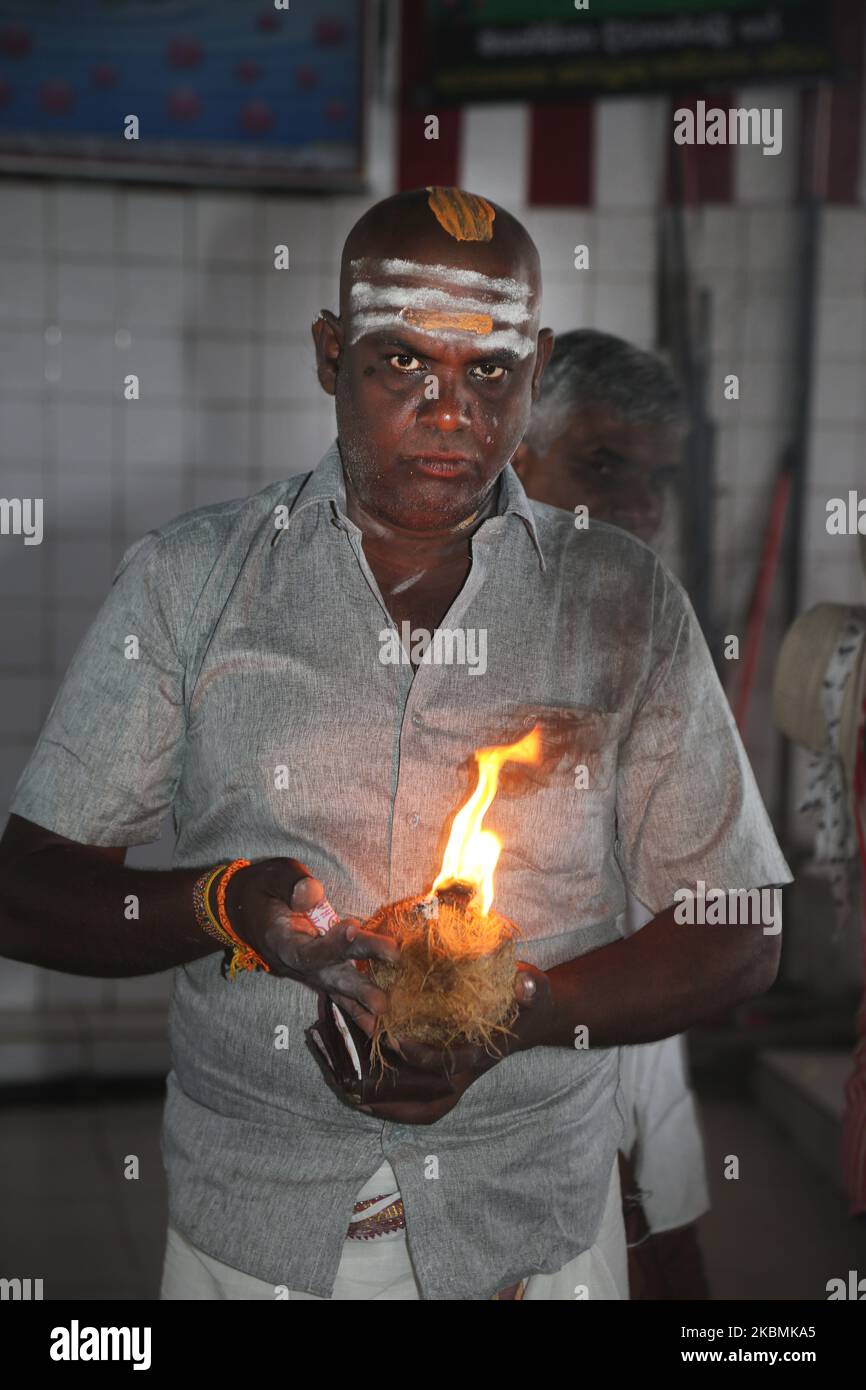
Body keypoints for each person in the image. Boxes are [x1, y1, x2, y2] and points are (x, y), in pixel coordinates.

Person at [0, 188, 791, 1301]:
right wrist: (228, 905)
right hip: (258, 1231)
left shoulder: (619, 600)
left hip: (532, 1233)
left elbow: (739, 928)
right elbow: (24, 888)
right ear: (331, 354)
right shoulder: (192, 582)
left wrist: (516, 1018)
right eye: (400, 365)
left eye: (488, 373)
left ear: (535, 366)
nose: (449, 413)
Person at [515, 329, 712, 1299]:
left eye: (656, 478)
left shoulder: (647, 618)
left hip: (635, 989)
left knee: (657, 1228)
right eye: (601, 466)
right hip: (494, 1032)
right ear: (515, 451)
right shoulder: (430, 606)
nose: (638, 507)